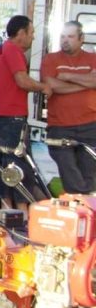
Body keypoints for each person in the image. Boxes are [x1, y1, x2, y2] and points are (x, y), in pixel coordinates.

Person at [0, 15, 52, 209]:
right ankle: (22, 209)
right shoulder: (13, 50)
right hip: (12, 115)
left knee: (6, 160)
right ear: (21, 34)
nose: (33, 37)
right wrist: (44, 87)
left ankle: (7, 207)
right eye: (31, 33)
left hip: (2, 113)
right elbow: (22, 81)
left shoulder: (4, 48)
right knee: (19, 162)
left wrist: (31, 10)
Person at [41, 21, 96, 193]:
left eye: (70, 37)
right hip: (60, 127)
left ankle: (85, 212)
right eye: (63, 36)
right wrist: (86, 82)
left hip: (90, 125)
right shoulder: (51, 59)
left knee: (89, 172)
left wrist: (66, 76)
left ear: (81, 39)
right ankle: (80, 205)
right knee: (69, 170)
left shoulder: (92, 58)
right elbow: (52, 85)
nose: (65, 40)